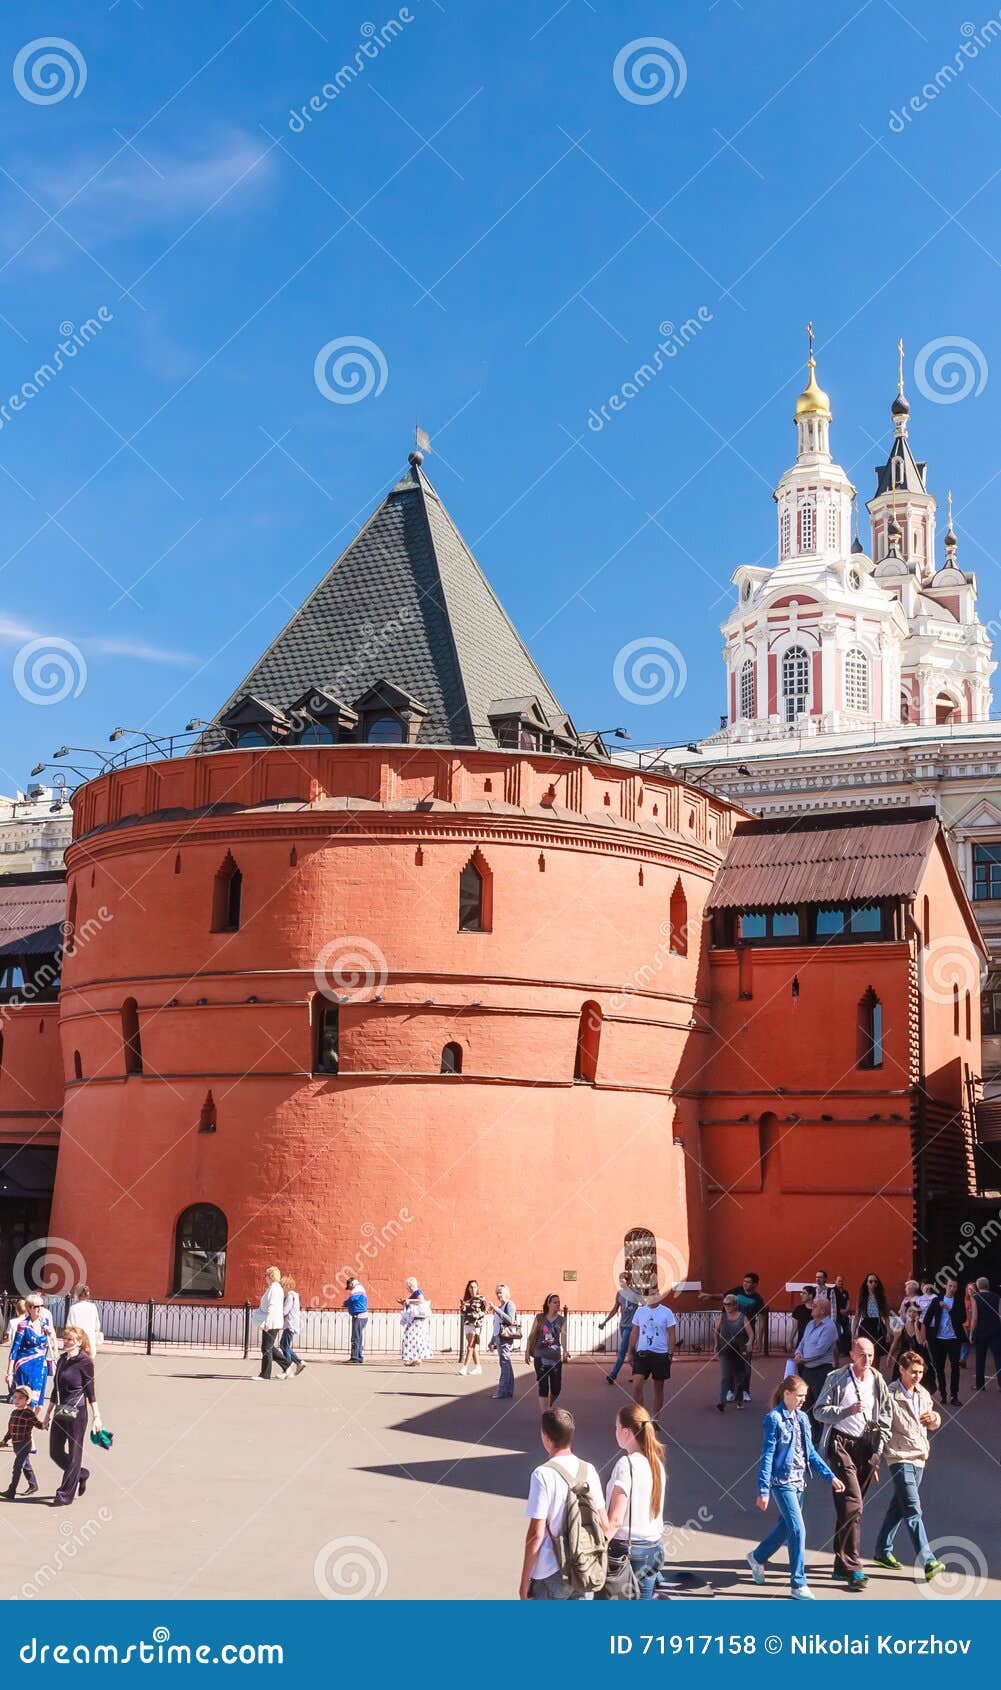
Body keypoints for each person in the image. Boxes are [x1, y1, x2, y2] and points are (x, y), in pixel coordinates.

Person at [748, 1374, 844, 1601]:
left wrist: (830, 1476)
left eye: (805, 1396)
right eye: (799, 1396)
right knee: (798, 1529)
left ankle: (757, 1557)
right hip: (782, 1483)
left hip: (799, 1481)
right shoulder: (774, 1419)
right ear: (787, 1394)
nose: (803, 1400)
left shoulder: (802, 1418)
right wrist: (763, 1490)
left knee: (785, 1527)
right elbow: (767, 1456)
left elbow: (810, 1452)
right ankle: (798, 1584)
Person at [813, 1337, 892, 1590]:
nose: (866, 1360)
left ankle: (840, 1564)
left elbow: (886, 1416)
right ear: (851, 1354)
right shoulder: (837, 1377)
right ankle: (854, 1567)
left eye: (870, 1355)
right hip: (840, 1444)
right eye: (861, 1354)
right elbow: (818, 1411)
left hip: (866, 1447)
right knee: (854, 1504)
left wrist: (878, 1451)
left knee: (848, 1508)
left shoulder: (877, 1379)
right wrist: (846, 1411)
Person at [520, 1406, 608, 1600]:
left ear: (545, 1436)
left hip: (551, 1571)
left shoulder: (542, 1474)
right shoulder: (589, 1470)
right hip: (585, 1568)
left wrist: (524, 1581)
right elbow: (605, 1525)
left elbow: (536, 1535)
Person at [873, 1351, 946, 1581]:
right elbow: (881, 1427)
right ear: (901, 1370)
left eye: (920, 1372)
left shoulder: (923, 1393)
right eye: (913, 1372)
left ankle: (882, 1551)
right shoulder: (890, 1394)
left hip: (919, 1456)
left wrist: (934, 1419)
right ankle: (928, 1561)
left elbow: (932, 1420)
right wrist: (875, 1458)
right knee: (913, 1509)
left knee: (899, 1506)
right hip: (899, 1457)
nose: (917, 1376)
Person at [604, 1403, 667, 1597]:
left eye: (616, 1427)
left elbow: (616, 1519)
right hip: (652, 1547)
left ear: (626, 1431)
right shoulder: (656, 1463)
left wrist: (598, 1546)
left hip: (626, 1550)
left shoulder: (626, 1464)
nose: (615, 1432)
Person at [43, 1326, 102, 1507]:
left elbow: (90, 1391)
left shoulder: (85, 1362)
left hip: (78, 1412)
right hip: (61, 1410)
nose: (66, 1341)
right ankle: (81, 1474)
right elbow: (56, 1389)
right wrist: (47, 1414)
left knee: (75, 1453)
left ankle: (64, 1495)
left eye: (70, 1339)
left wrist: (97, 1416)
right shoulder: (62, 1360)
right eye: (65, 1338)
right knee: (55, 1452)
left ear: (79, 1342)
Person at [627, 1289, 676, 1420]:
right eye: (652, 1294)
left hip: (660, 1355)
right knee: (636, 1386)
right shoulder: (640, 1312)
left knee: (658, 1388)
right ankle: (643, 1417)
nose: (655, 1296)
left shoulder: (666, 1312)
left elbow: (671, 1334)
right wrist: (630, 1352)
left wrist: (670, 1354)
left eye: (657, 1293)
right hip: (642, 1354)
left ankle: (655, 1418)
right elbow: (634, 1332)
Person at [6, 1295, 56, 1407]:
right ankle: (23, 1418)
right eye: (36, 1306)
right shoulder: (23, 1325)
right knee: (27, 1403)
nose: (40, 1309)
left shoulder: (45, 1323)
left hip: (41, 1367)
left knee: (39, 1405)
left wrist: (50, 1334)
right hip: (25, 1367)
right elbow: (14, 1350)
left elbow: (50, 1342)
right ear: (29, 1308)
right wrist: (9, 1373)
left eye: (42, 1306)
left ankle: (30, 1417)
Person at [794, 1296, 839, 1417]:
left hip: (821, 1371)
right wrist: (798, 1353)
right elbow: (802, 1342)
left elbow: (820, 1350)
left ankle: (821, 1429)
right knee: (805, 1404)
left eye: (814, 1306)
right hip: (806, 1370)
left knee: (819, 1405)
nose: (812, 1308)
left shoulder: (829, 1326)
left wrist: (802, 1359)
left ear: (823, 1311)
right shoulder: (810, 1324)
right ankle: (808, 1428)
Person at [924, 1277, 963, 1405]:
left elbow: (962, 1318)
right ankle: (943, 1395)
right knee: (939, 1368)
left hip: (954, 1339)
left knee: (955, 1367)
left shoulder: (958, 1301)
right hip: (938, 1340)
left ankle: (954, 1396)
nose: (952, 1289)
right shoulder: (937, 1300)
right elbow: (927, 1319)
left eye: (954, 1287)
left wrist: (949, 1309)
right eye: (950, 1286)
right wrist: (927, 1337)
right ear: (946, 1286)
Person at [526, 1294, 569, 1405]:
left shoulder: (562, 1320)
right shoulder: (539, 1317)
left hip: (555, 1358)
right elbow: (531, 1335)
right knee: (543, 1386)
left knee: (556, 1389)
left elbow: (563, 1337)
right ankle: (545, 1412)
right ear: (548, 1303)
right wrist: (527, 1351)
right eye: (555, 1302)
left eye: (559, 1302)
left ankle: (549, 1406)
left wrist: (565, 1350)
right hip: (540, 1356)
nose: (558, 1304)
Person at [0, 1385, 42, 1499]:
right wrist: (4, 1440)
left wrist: (45, 1424)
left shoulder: (29, 1413)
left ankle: (11, 1491)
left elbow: (38, 1424)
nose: (16, 1400)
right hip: (16, 1444)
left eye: (20, 1398)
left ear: (27, 1400)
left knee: (17, 1467)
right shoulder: (14, 1413)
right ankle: (33, 1485)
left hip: (25, 1444)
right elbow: (10, 1429)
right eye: (15, 1397)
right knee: (26, 1465)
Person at [601, 1273, 642, 1386]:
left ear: (628, 1281)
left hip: (631, 1326)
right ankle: (640, 1372)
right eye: (620, 1280)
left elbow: (644, 1306)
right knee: (631, 1351)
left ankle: (612, 1375)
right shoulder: (619, 1294)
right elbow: (615, 1309)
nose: (621, 1282)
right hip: (622, 1326)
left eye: (623, 1280)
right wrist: (605, 1322)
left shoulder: (636, 1293)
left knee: (622, 1350)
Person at [715, 1294, 753, 1412]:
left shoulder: (742, 1317)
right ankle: (722, 1401)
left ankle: (739, 1400)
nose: (726, 1306)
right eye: (724, 1304)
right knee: (725, 1376)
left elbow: (751, 1333)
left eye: (729, 1304)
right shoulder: (722, 1317)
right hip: (725, 1350)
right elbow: (716, 1331)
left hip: (739, 1350)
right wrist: (716, 1344)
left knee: (739, 1376)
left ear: (735, 1305)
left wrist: (749, 1343)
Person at [255, 1266, 290, 1381]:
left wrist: (267, 1321)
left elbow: (272, 1305)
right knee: (268, 1347)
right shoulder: (276, 1288)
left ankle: (265, 1374)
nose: (265, 1277)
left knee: (266, 1348)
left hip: (271, 1322)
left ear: (270, 1276)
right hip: (274, 1321)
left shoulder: (274, 1289)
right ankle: (287, 1365)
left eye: (266, 1275)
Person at [968, 1275, 1001, 1392]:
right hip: (996, 1330)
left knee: (980, 1359)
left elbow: (975, 1317)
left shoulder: (975, 1298)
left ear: (978, 1286)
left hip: (981, 1331)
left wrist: (971, 1332)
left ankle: (980, 1385)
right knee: (998, 1358)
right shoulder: (996, 1297)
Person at [886, 1301, 932, 1384]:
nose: (912, 1314)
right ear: (906, 1313)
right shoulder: (901, 1326)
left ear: (918, 1314)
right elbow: (895, 1342)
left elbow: (920, 1341)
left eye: (914, 1312)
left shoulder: (921, 1325)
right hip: (904, 1357)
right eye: (910, 1311)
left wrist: (916, 1325)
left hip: (919, 1357)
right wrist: (889, 1356)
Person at [488, 1284, 518, 1400]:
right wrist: (492, 1341)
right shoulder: (500, 1306)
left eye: (500, 1292)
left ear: (506, 1293)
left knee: (504, 1364)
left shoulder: (510, 1304)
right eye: (497, 1293)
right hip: (499, 1337)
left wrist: (496, 1309)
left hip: (505, 1338)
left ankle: (502, 1391)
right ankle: (509, 1390)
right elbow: (496, 1325)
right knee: (506, 1364)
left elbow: (510, 1320)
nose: (499, 1295)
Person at [853, 1273, 890, 1359]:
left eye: (875, 1282)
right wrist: (853, 1332)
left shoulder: (881, 1298)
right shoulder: (862, 1298)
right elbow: (857, 1316)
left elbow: (886, 1316)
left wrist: (888, 1331)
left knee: (877, 1352)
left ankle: (876, 1367)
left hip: (878, 1325)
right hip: (866, 1324)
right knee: (865, 1350)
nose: (873, 1283)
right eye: (870, 1281)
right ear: (866, 1283)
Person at [399, 1277, 433, 1367]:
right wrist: (404, 1303)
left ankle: (412, 1358)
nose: (407, 1289)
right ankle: (416, 1359)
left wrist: (409, 1301)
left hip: (416, 1320)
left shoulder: (417, 1292)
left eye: (407, 1287)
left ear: (410, 1286)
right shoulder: (415, 1293)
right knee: (415, 1339)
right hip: (415, 1320)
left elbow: (421, 1300)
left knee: (409, 1337)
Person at [459, 1280, 486, 1376]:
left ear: (477, 1288)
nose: (473, 1289)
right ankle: (478, 1367)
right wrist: (463, 1307)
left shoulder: (481, 1299)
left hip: (476, 1324)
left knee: (470, 1346)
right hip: (467, 1323)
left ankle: (464, 1367)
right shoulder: (467, 1300)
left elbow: (485, 1311)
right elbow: (463, 1313)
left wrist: (477, 1315)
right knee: (473, 1347)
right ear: (468, 1288)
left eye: (474, 1287)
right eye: (471, 1287)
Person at [280, 1276, 306, 1376]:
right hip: (292, 1323)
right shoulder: (294, 1295)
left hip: (290, 1324)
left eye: (282, 1286)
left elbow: (285, 1310)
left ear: (286, 1286)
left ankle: (287, 1368)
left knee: (284, 1345)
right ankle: (299, 1362)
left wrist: (277, 1315)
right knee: (284, 1345)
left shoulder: (290, 1296)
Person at [66, 1286, 101, 1355]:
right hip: (90, 1338)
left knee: (76, 1358)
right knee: (89, 1358)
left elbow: (69, 1326)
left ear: (77, 1295)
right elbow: (97, 1325)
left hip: (77, 1339)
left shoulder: (73, 1308)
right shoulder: (93, 1307)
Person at [343, 1277, 368, 1364]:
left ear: (351, 1284)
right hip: (361, 1316)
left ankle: (355, 1357)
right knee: (358, 1337)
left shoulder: (357, 1289)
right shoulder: (360, 1288)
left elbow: (352, 1299)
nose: (350, 1289)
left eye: (349, 1287)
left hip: (359, 1316)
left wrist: (346, 1303)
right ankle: (359, 1357)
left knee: (355, 1337)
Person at [832, 1275, 853, 1357]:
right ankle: (840, 1351)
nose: (841, 1282)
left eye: (842, 1281)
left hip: (845, 1315)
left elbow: (848, 1301)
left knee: (848, 1332)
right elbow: (832, 1303)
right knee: (838, 1334)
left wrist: (846, 1310)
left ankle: (848, 1350)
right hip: (836, 1315)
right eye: (839, 1281)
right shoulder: (832, 1291)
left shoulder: (845, 1292)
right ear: (835, 1281)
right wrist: (839, 1310)